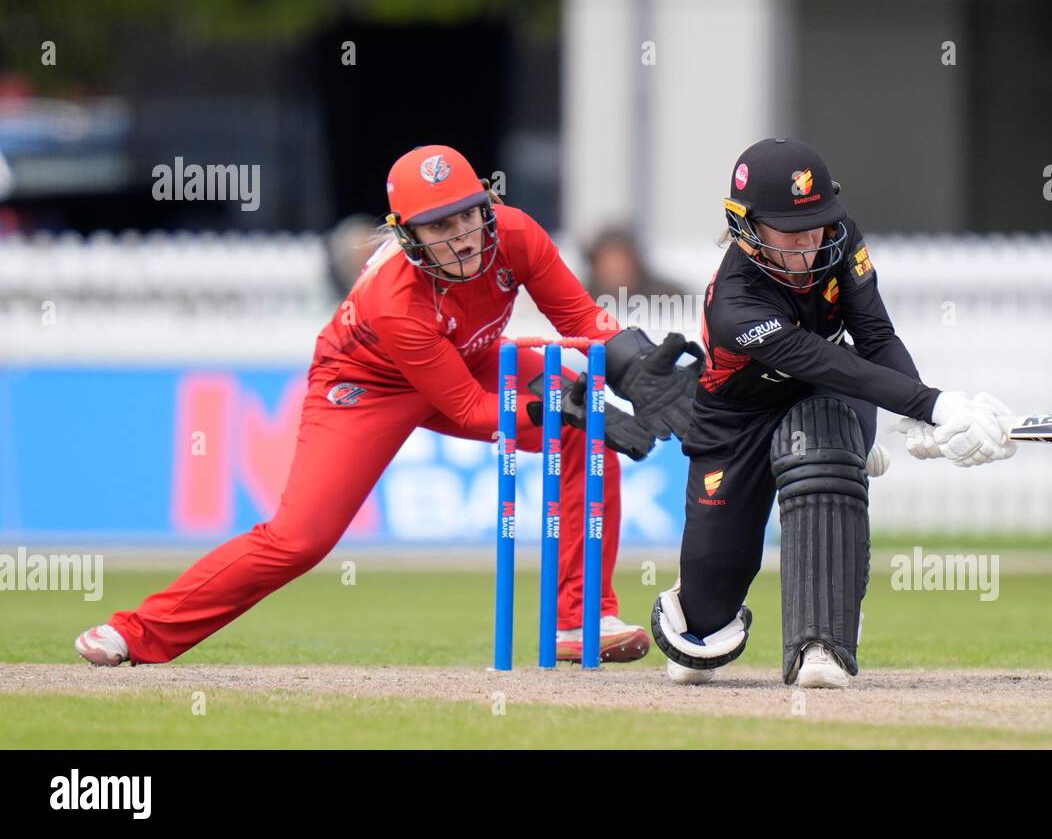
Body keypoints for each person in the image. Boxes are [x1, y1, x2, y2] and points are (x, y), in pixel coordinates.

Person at [74, 144, 700, 667]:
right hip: (366, 385)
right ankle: (139, 632)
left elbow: (579, 317)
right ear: (407, 235)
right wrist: (559, 403)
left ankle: (576, 621)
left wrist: (628, 359)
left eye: (467, 216)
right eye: (440, 227)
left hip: (475, 354)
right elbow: (473, 409)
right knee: (299, 540)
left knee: (581, 425)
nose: (462, 238)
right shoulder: (394, 297)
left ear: (487, 203)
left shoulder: (514, 234)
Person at [650, 137, 1016, 689]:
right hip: (736, 419)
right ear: (747, 227)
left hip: (825, 396)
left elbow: (873, 334)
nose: (812, 242)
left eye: (819, 222)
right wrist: (932, 403)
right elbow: (815, 357)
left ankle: (825, 636)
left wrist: (920, 411)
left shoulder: (839, 239)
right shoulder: (736, 303)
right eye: (793, 232)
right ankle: (702, 606)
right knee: (702, 628)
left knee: (819, 452)